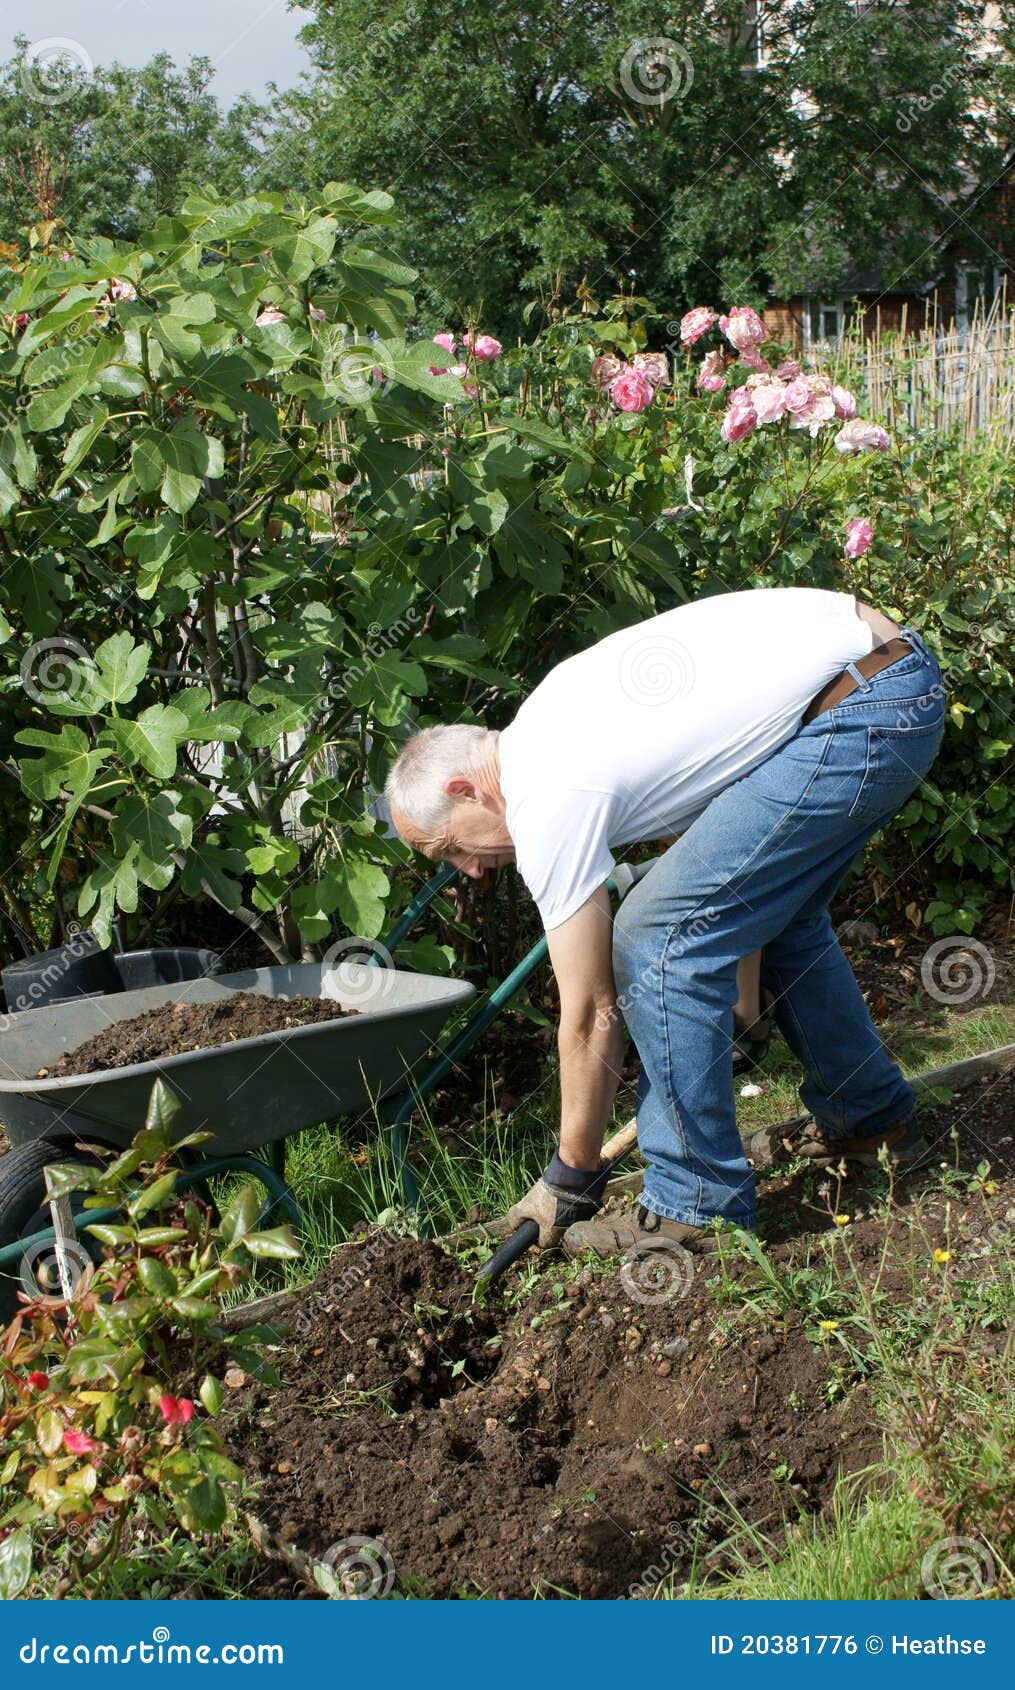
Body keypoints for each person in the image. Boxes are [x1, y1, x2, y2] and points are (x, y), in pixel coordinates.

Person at [384, 587, 946, 1256]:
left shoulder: (543, 796)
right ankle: (870, 1119)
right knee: (784, 921)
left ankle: (694, 1204)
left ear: (463, 790)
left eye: (452, 850)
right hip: (887, 683)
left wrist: (571, 1171)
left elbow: (591, 1009)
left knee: (650, 939)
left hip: (858, 707)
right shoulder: (548, 728)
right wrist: (734, 1004)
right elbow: (724, 873)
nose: (470, 872)